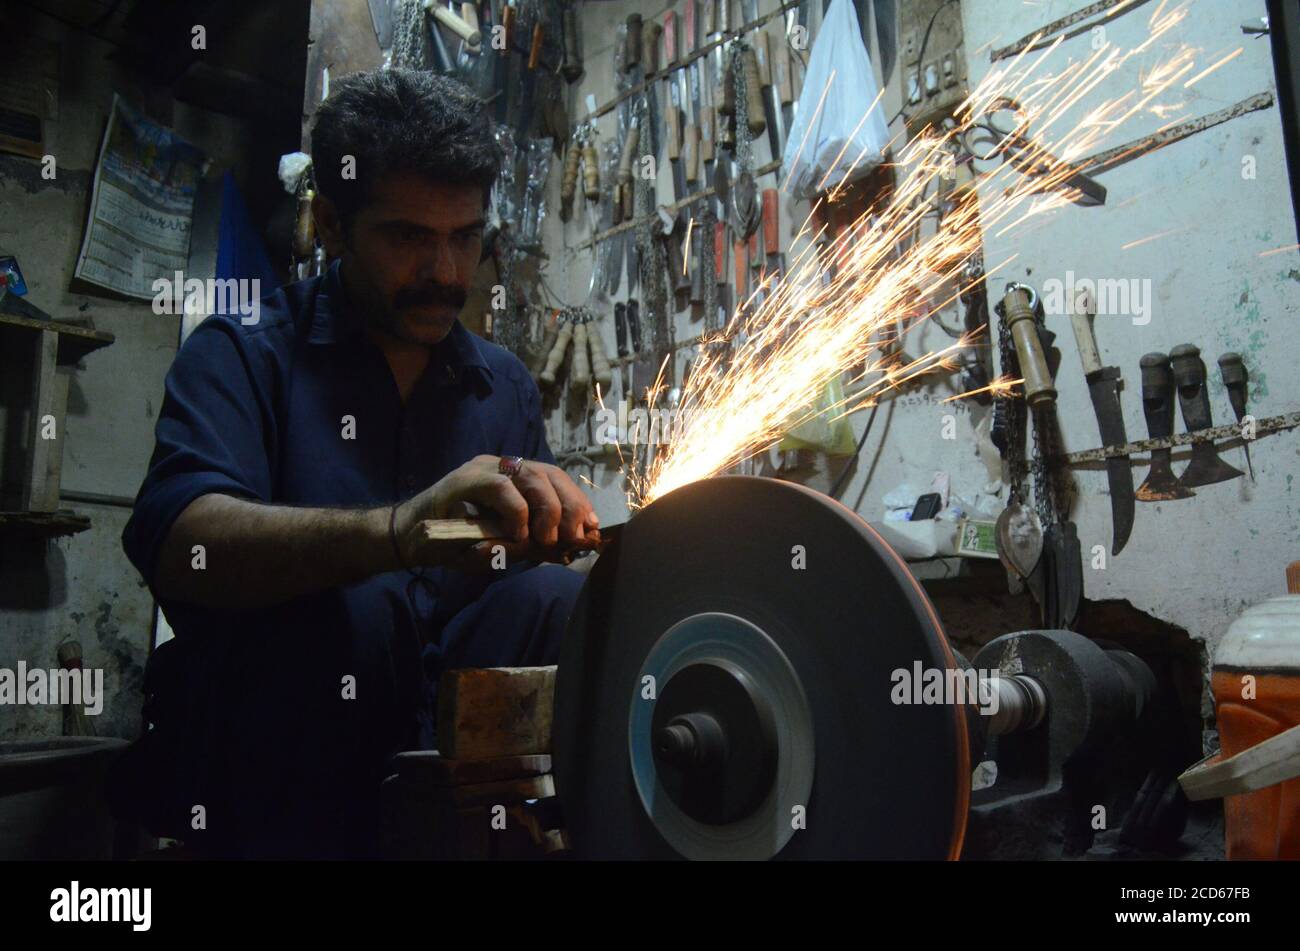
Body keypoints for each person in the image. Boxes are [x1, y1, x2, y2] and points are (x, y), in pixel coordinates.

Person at [112, 69, 597, 859]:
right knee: (348, 613)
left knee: (552, 596)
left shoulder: (500, 385)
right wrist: (399, 531)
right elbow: (181, 544)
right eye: (409, 236)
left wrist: (558, 535)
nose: (446, 271)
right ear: (333, 226)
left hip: (449, 792)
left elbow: (523, 593)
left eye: (466, 236)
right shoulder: (244, 357)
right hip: (284, 791)